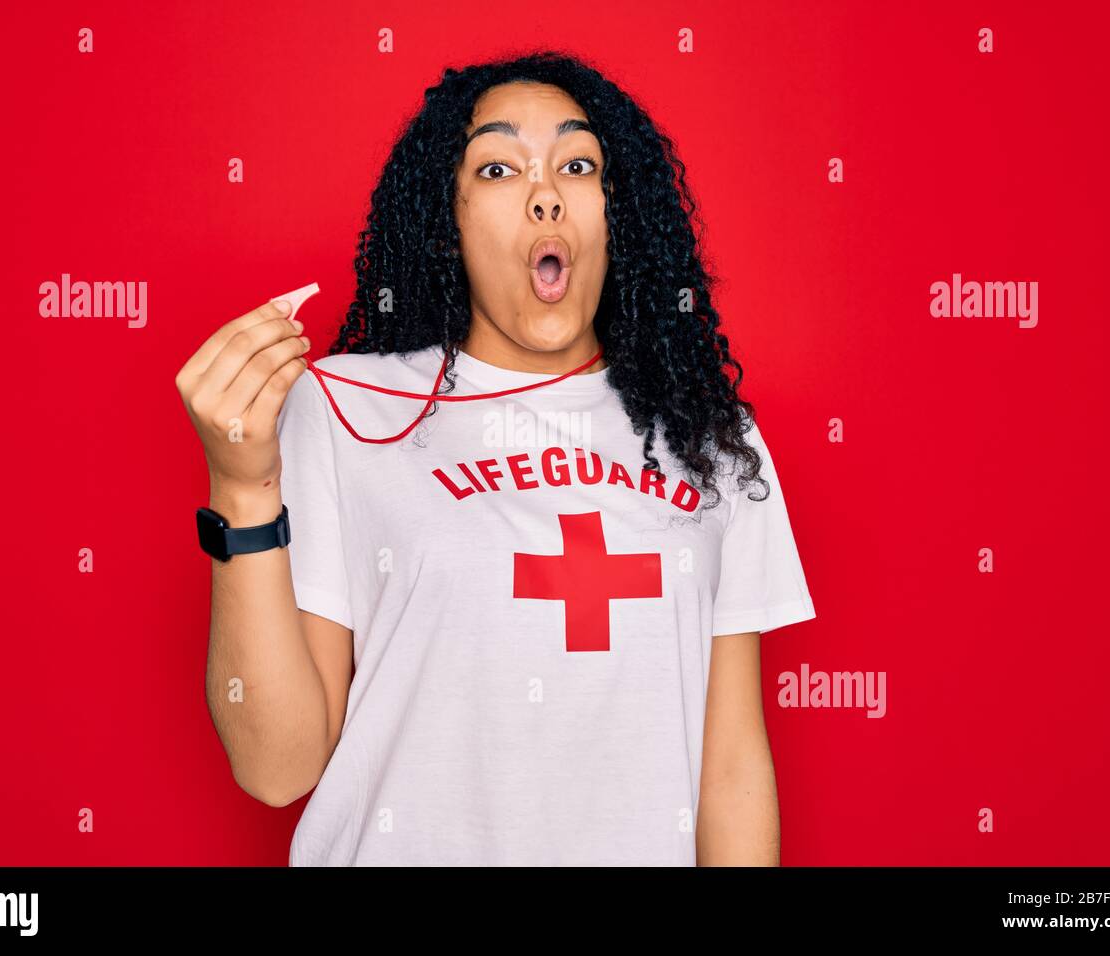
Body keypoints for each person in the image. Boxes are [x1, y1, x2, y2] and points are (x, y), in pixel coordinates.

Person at [177, 50, 816, 866]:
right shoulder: (345, 409)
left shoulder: (710, 437)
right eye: (500, 167)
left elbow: (730, 771)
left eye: (577, 164)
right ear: (451, 221)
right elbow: (277, 768)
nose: (545, 192)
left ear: (615, 211)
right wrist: (242, 487)